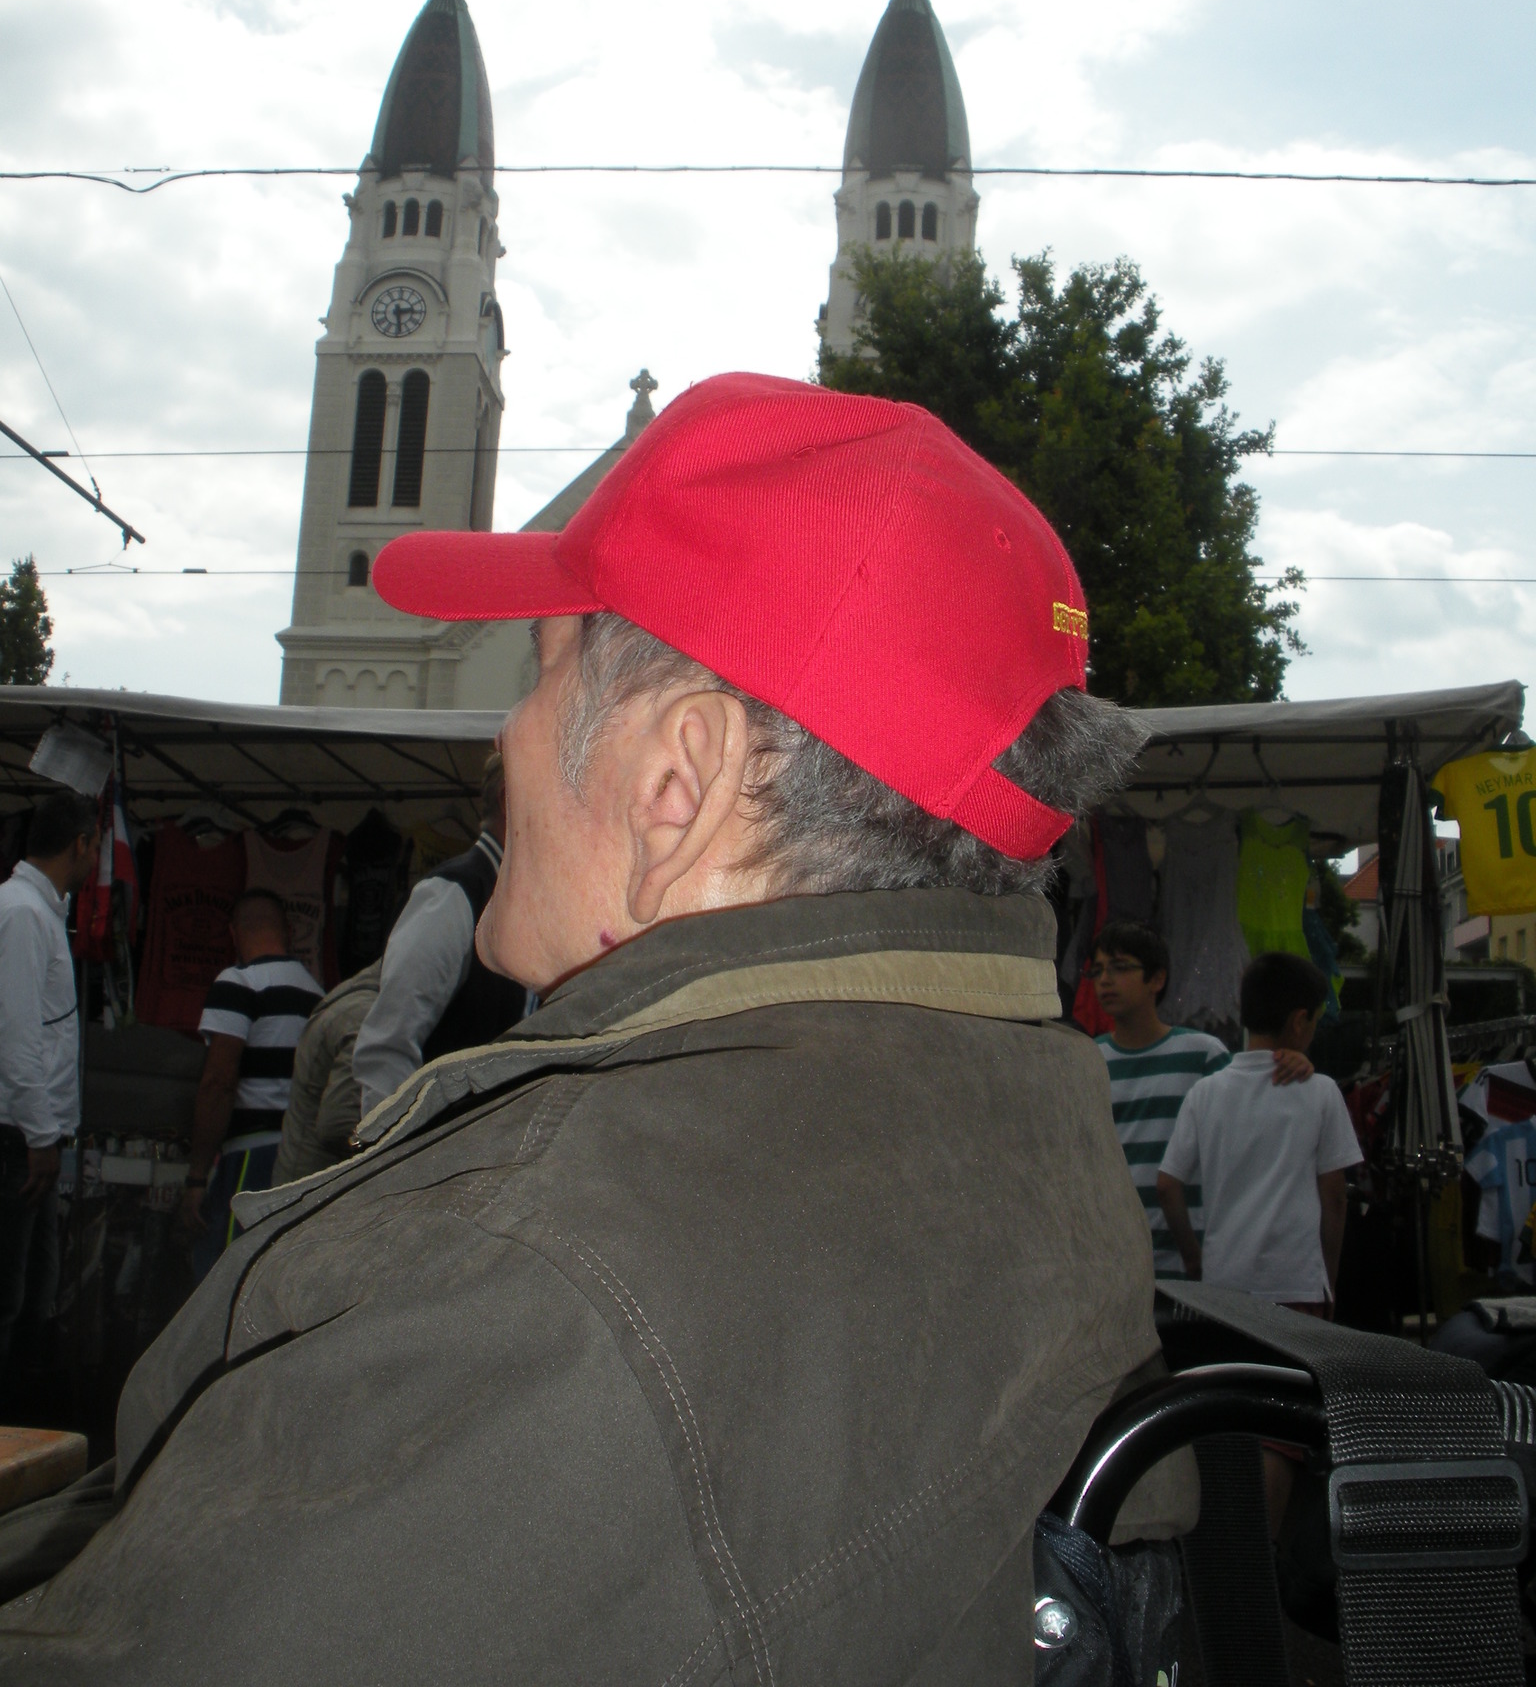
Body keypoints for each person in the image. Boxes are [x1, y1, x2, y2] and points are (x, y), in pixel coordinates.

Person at [2, 372, 1185, 1685]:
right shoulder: (1039, 1133)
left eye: (542, 672)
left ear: (678, 783)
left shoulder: (523, 1276)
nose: (501, 737)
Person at [1092, 921, 1313, 1277]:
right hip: (1111, 1256)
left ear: (1157, 979)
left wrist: (1294, 1062)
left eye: (1120, 968)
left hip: (1189, 1256)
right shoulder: (1089, 1059)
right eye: (1098, 970)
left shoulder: (1201, 1054)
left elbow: (1250, 1121)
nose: (1105, 980)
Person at [1156, 952, 1359, 1310]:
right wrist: (1328, 1278)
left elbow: (1168, 1186)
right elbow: (1335, 1198)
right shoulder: (1321, 1092)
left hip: (1223, 1287)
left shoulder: (1204, 1093)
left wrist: (1193, 1259)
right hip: (1297, 1285)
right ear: (1300, 1021)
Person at [350, 751, 527, 1116]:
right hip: (442, 1157)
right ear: (509, 799)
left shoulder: (517, 900)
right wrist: (397, 1158)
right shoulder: (453, 894)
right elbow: (388, 1047)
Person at [0, 790, 99, 1399]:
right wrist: (39, 1132)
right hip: (15, 1134)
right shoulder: (22, 913)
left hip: (31, 1134)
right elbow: (16, 1033)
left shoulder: (38, 910)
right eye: (93, 846)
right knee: (8, 1293)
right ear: (81, 844)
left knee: (32, 1290)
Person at [177, 890, 322, 1276]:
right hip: (299, 1156)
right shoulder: (317, 994)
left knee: (226, 1279)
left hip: (249, 1157)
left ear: (233, 933)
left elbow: (219, 1083)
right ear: (288, 932)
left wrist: (196, 1174)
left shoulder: (238, 983)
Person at [271, 962, 381, 1187]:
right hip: (312, 1197)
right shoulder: (364, 1015)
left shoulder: (360, 1007)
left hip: (309, 1191)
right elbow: (339, 1125)